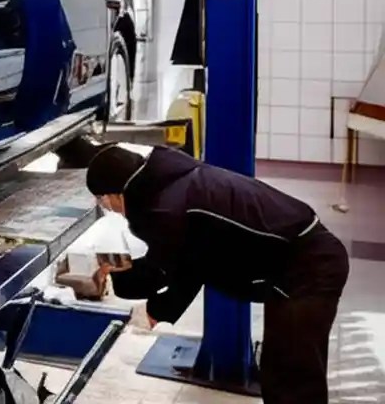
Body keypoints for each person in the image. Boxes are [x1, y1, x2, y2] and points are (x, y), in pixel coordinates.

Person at [57, 135, 350, 404]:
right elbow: (182, 260)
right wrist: (135, 284)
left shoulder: (167, 209)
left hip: (308, 267)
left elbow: (178, 269)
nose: (109, 209)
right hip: (296, 262)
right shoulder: (171, 180)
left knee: (294, 380)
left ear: (115, 194)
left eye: (104, 201)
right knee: (280, 372)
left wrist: (148, 303)